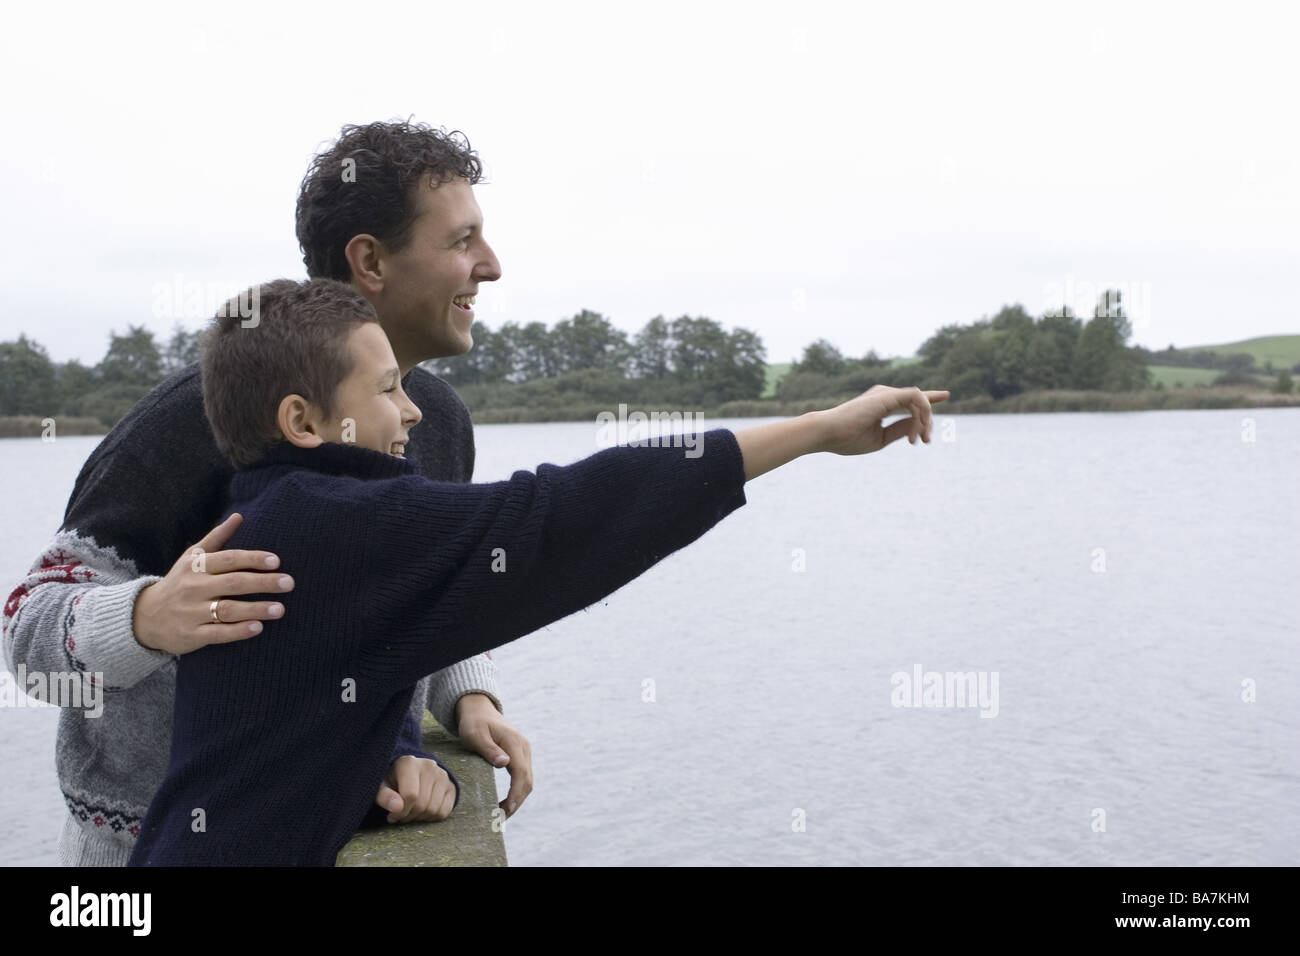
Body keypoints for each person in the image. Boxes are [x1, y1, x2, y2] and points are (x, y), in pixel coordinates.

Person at [128, 276, 948, 865]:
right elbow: (570, 514)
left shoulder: (281, 515)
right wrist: (813, 431)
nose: (413, 410)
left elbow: (317, 691)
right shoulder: (335, 524)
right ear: (303, 421)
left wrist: (394, 752)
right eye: (385, 389)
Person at [1, 121, 534, 865]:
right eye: (461, 241)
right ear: (370, 261)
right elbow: (25, 635)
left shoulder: (438, 424)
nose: (492, 265)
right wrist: (151, 614)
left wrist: (466, 691)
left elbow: (417, 590)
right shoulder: (191, 419)